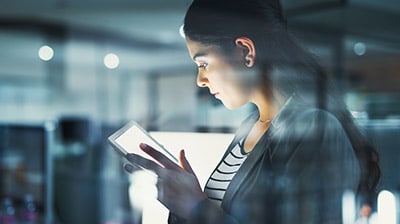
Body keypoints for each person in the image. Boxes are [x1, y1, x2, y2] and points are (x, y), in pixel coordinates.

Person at [123, 0, 381, 223]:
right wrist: (185, 197)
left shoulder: (314, 127)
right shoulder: (250, 127)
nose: (200, 80)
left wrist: (197, 207)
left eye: (203, 63)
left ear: (245, 51)